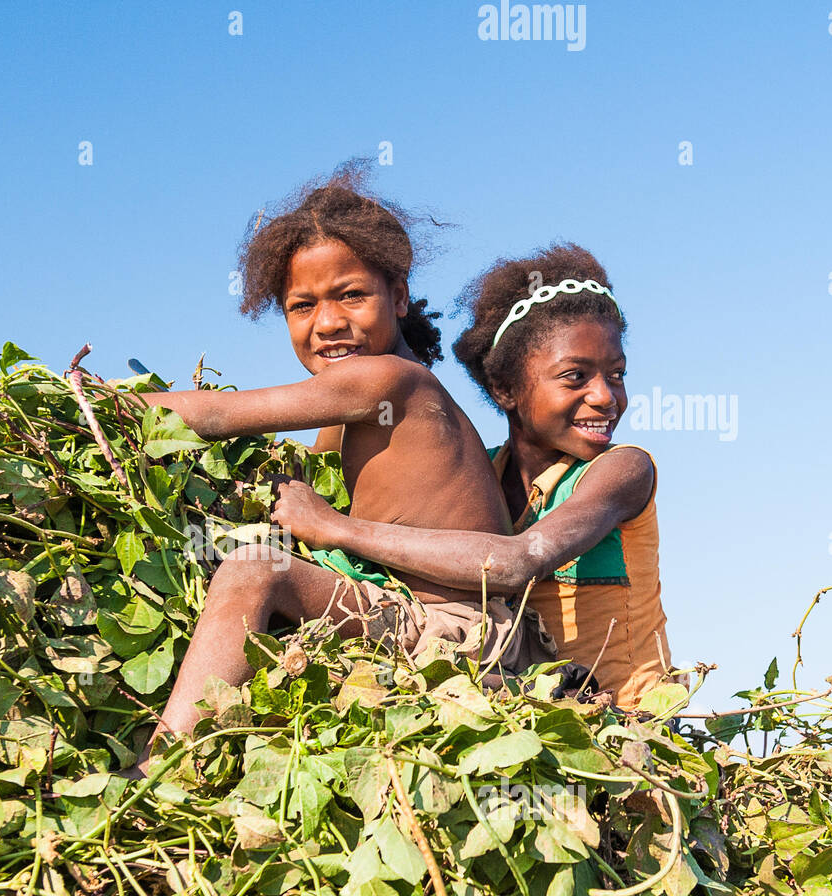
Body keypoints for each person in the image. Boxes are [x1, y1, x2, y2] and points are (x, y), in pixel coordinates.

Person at [129, 168, 548, 770]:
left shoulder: (389, 380)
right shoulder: (353, 411)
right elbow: (298, 487)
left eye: (351, 295)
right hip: (400, 612)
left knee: (255, 573)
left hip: (457, 634)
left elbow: (219, 413)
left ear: (399, 296)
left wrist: (95, 400)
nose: (326, 322)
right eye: (302, 305)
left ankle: (157, 772)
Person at [270, 244, 674, 710]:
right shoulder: (479, 473)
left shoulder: (622, 470)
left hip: (625, 723)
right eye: (576, 376)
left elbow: (515, 563)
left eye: (617, 374)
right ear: (504, 389)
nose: (605, 396)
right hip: (526, 702)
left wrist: (335, 528)